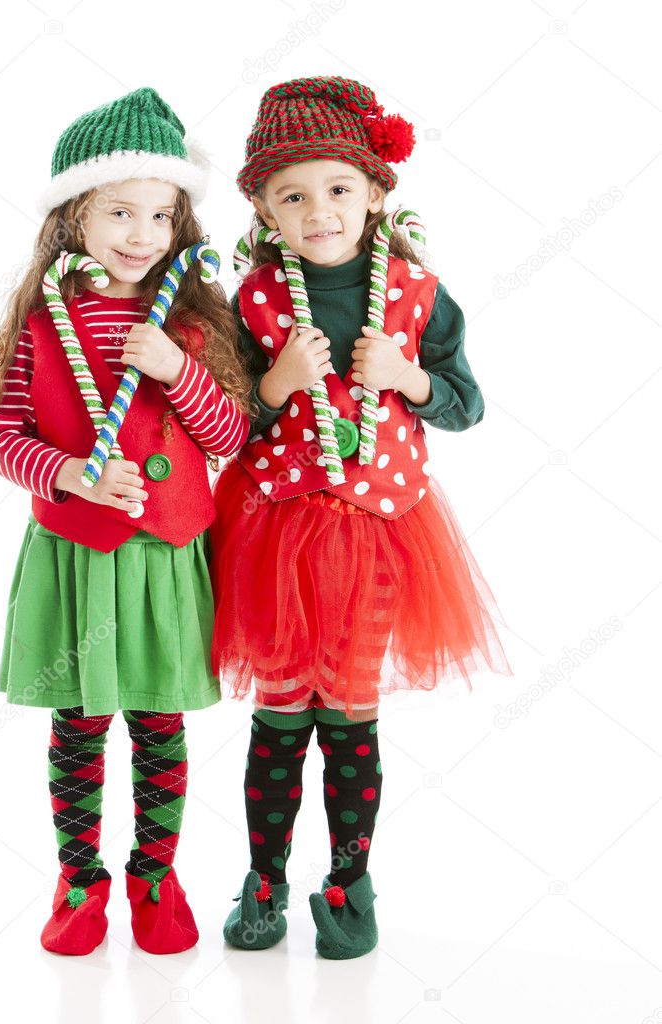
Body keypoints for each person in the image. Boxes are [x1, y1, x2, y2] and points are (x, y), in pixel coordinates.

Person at [209, 76, 513, 959]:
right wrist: (276, 383)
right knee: (279, 710)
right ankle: (263, 874)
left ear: (376, 193)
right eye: (291, 196)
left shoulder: (415, 295)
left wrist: (407, 376)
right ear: (264, 209)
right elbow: (223, 416)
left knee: (347, 711)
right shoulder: (259, 300)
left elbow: (465, 405)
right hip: (276, 525)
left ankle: (349, 874)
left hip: (379, 529)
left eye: (338, 189)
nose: (318, 211)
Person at [0, 87, 250, 957]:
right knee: (80, 723)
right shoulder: (42, 321)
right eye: (118, 211)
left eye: (160, 215)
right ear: (72, 217)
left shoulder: (195, 316)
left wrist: (176, 368)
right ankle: (79, 877)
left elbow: (229, 434)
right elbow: (0, 438)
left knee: (158, 719)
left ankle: (155, 877)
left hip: (164, 553)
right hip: (79, 553)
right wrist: (70, 476)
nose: (141, 234)